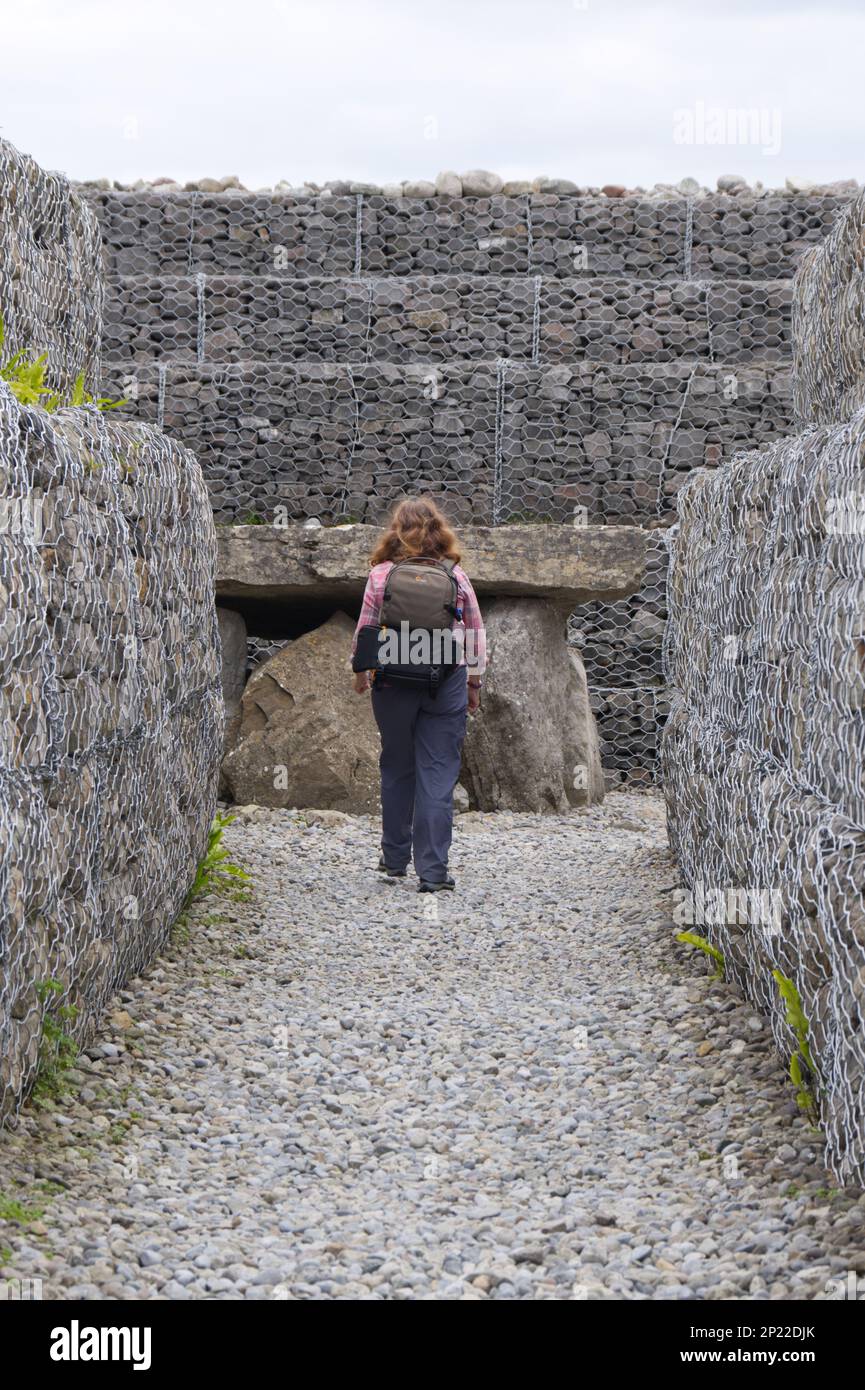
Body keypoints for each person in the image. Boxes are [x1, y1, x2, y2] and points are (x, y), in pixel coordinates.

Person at [351, 496, 485, 892]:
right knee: (438, 772)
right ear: (439, 533)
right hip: (445, 680)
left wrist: (361, 672)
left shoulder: (381, 576)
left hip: (391, 680)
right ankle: (433, 872)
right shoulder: (455, 576)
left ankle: (394, 859)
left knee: (396, 765)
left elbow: (366, 628)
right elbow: (475, 634)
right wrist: (473, 683)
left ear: (396, 532)